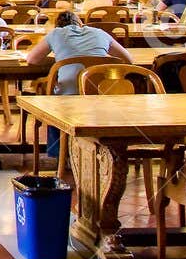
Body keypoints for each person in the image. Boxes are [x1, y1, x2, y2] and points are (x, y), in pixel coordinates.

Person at [25, 10, 134, 160]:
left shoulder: (56, 33)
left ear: (58, 25)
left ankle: (60, 156)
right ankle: (100, 154)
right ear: (81, 24)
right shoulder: (99, 32)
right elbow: (128, 59)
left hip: (69, 95)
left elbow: (32, 60)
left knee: (53, 102)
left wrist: (61, 61)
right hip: (101, 92)